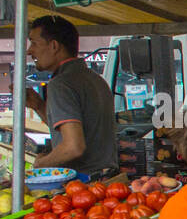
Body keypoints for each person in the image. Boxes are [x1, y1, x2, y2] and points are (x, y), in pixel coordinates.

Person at [25, 15, 118, 177]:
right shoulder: (95, 79)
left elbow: (73, 147)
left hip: (81, 184)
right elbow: (77, 129)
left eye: (34, 43)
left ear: (54, 46)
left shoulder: (61, 84)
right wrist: (39, 106)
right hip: (107, 180)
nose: (29, 51)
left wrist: (40, 165)